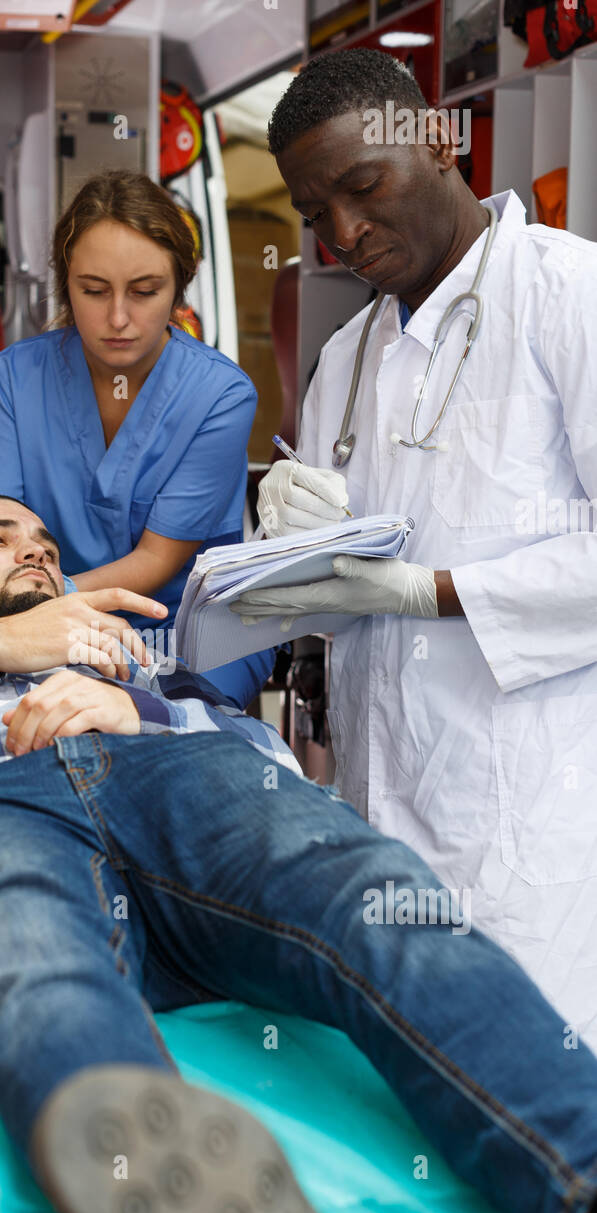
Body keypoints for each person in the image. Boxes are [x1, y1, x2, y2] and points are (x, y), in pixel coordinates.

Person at [0, 494, 597, 1213]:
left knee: (375, 896)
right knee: (30, 954)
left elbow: (273, 767)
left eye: (44, 545)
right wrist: (2, 649)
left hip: (173, 787)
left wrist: (140, 714)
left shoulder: (145, 668)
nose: (31, 552)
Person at [233, 47, 597, 1055]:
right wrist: (286, 552)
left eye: (362, 188)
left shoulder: (568, 296)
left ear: (440, 142)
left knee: (539, 1101)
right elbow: (340, 592)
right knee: (403, 1100)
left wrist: (427, 591)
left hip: (529, 820)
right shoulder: (346, 360)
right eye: (315, 214)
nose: (344, 234)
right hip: (377, 800)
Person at [0, 169, 275, 710]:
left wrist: (45, 600)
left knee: (170, 743)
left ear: (180, 287)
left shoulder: (221, 394)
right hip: (47, 621)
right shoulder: (17, 377)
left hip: (184, 637)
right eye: (93, 291)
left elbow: (157, 560)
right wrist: (22, 617)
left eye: (144, 292)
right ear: (65, 282)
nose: (118, 318)